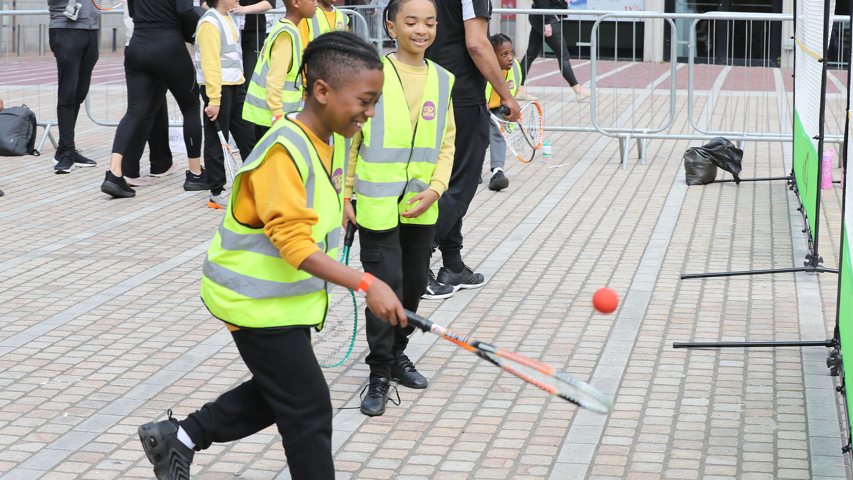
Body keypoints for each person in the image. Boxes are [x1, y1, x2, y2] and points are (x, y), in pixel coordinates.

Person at [136, 31, 399, 480]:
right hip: (253, 303)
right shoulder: (284, 150)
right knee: (309, 409)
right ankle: (179, 438)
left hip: (284, 302)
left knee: (285, 391)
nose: (369, 113)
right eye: (365, 100)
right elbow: (294, 246)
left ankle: (178, 438)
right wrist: (365, 282)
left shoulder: (327, 138)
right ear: (321, 90)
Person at [343, 0, 455, 416]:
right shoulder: (373, 74)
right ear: (391, 26)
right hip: (374, 204)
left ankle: (398, 353)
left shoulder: (443, 79)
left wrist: (438, 188)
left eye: (429, 22)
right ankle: (379, 372)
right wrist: (344, 194)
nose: (421, 29)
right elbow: (351, 137)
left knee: (411, 287)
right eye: (411, 21)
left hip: (420, 205)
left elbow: (447, 143)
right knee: (382, 288)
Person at [423, 0, 519, 298]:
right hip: (461, 95)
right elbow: (477, 44)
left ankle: (452, 264)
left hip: (429, 89)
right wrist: (505, 95)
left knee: (443, 180)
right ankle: (416, 263)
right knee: (460, 183)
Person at [100, 0, 204, 199]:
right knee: (190, 108)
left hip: (138, 45)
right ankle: (196, 174)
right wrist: (199, 22)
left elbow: (132, 12)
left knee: (134, 111)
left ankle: (114, 173)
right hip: (169, 45)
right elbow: (185, 10)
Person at [196, 0, 256, 208]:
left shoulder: (228, 17)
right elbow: (210, 63)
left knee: (248, 137)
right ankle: (217, 192)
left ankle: (254, 186)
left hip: (236, 85)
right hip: (219, 89)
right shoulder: (210, 22)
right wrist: (214, 99)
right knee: (216, 142)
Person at [242, 0, 315, 139]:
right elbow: (274, 79)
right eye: (312, 0)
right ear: (296, 3)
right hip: (274, 119)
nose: (316, 4)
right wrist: (277, 115)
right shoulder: (286, 34)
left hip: (275, 117)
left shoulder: (287, 28)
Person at [47, 0, 100, 174]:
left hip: (91, 28)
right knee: (68, 93)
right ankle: (68, 152)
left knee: (79, 92)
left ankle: (64, 148)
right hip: (65, 29)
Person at [518, 0, 590, 100]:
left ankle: (518, 89)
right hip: (545, 17)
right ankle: (578, 90)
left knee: (530, 55)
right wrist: (547, 22)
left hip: (540, 16)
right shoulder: (546, 18)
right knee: (563, 55)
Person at [484, 33, 520, 192]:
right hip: (481, 106)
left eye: (512, 53)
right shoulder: (482, 68)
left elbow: (514, 89)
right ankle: (474, 171)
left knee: (499, 135)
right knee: (480, 138)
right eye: (504, 54)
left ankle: (498, 172)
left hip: (499, 107)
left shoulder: (515, 68)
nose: (510, 58)